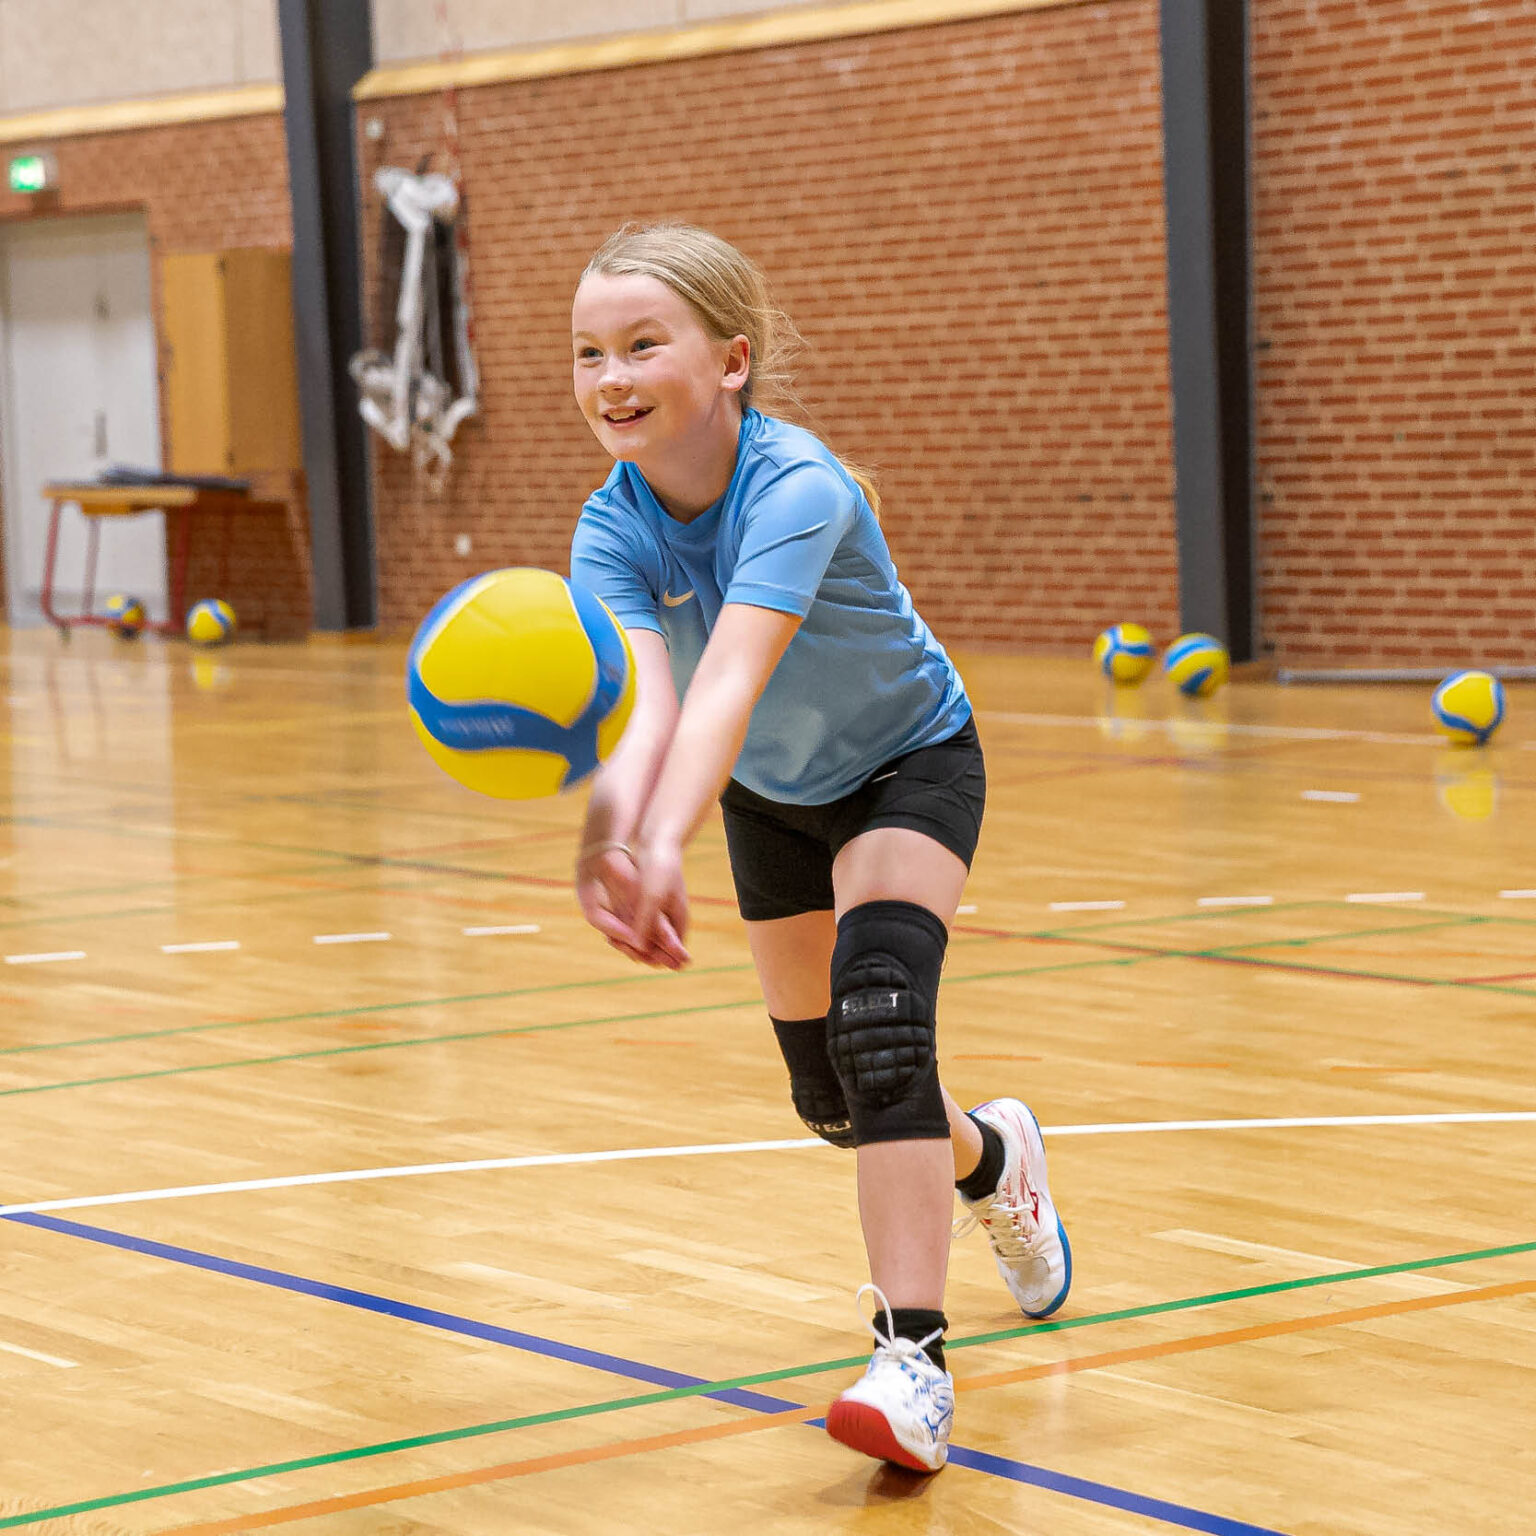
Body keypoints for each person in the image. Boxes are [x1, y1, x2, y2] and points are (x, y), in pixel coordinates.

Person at [568, 223, 1071, 1473]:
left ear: (731, 360)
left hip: (908, 763)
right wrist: (614, 831)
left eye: (642, 344)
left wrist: (664, 840)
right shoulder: (608, 530)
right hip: (772, 799)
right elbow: (649, 704)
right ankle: (994, 1159)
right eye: (586, 353)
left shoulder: (797, 485)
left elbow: (729, 677)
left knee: (884, 1019)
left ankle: (912, 1365)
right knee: (835, 1098)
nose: (610, 376)